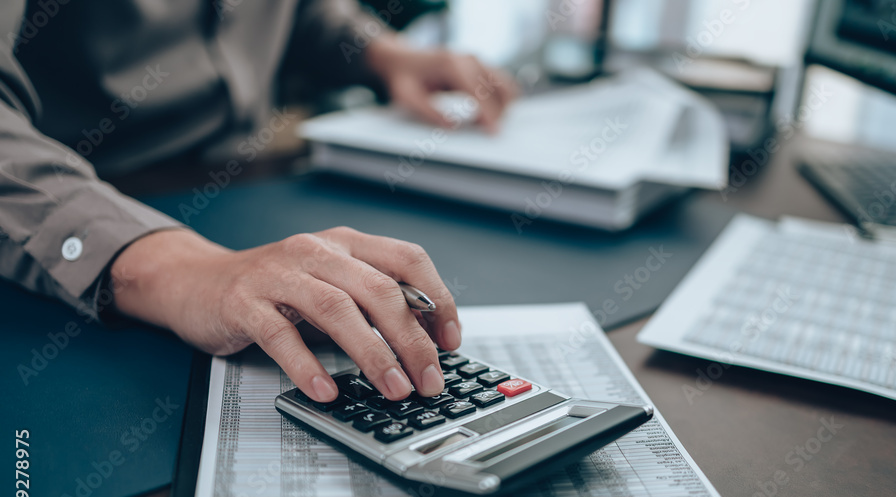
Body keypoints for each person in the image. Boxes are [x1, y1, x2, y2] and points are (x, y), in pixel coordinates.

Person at [0, 0, 516, 404]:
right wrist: (176, 269)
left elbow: (296, 11)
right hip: (69, 218)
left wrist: (378, 52)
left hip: (252, 179)